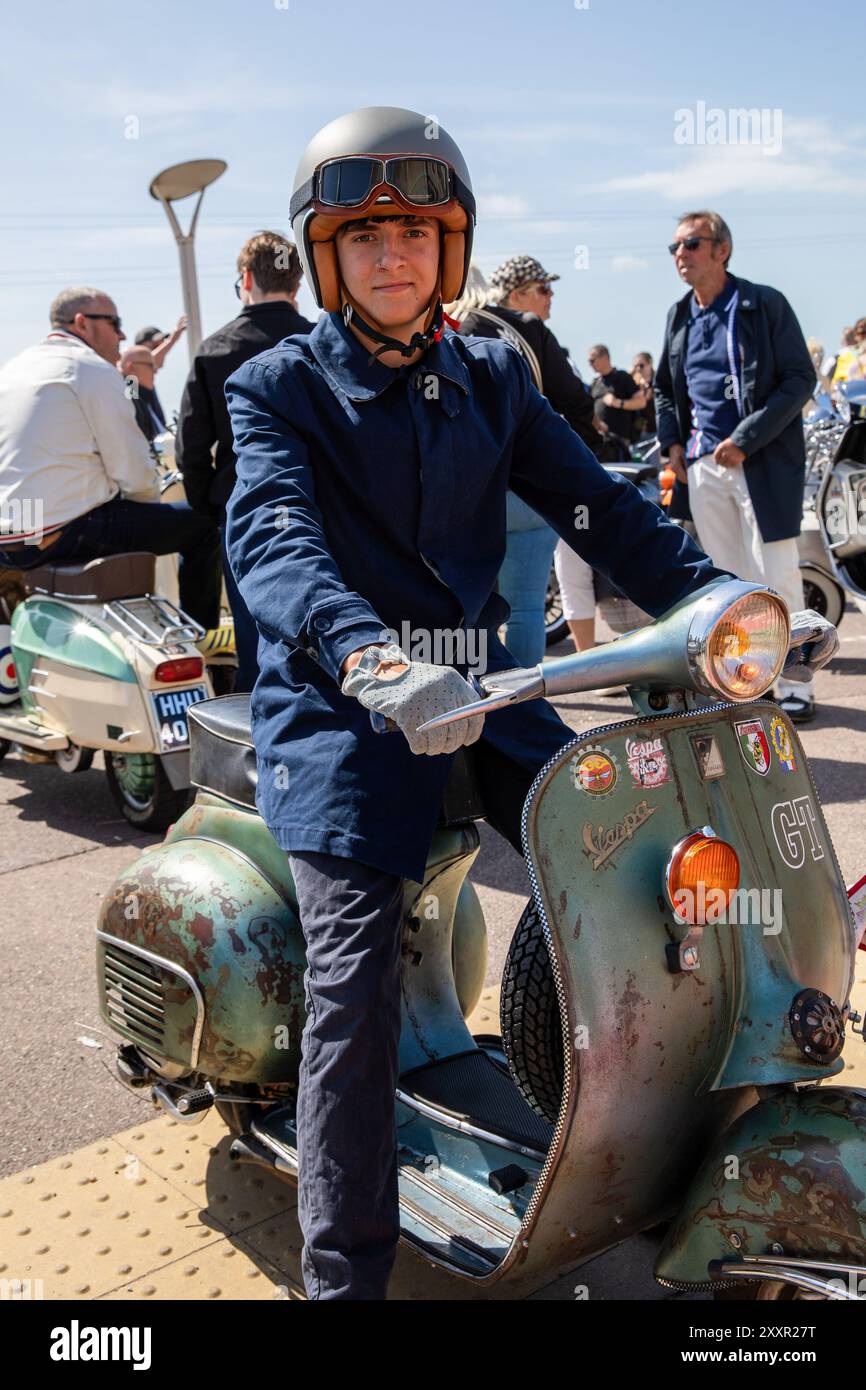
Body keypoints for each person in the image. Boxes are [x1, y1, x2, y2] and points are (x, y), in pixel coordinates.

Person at [223, 105, 734, 1302]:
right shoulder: (274, 387)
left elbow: (599, 508)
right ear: (322, 256)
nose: (389, 256)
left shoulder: (495, 373)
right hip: (342, 706)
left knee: (641, 871)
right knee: (349, 988)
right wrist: (366, 656)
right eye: (361, 237)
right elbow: (273, 538)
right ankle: (341, 1277)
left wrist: (718, 600)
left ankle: (658, 1149)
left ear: (448, 250)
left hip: (483, 687)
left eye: (412, 231)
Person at [655, 209, 817, 722]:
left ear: (722, 250)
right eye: (676, 247)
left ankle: (796, 683)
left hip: (763, 463)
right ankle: (748, 682)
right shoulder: (680, 315)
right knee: (727, 584)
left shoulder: (762, 304)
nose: (681, 254)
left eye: (693, 244)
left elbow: (798, 380)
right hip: (703, 466)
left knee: (776, 572)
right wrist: (672, 444)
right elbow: (664, 388)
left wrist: (746, 440)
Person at [0, 287, 220, 630]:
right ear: (81, 323)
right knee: (206, 522)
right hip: (63, 533)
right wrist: (150, 511)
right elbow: (135, 476)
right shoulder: (90, 368)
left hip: (12, 535)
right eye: (114, 322)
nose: (120, 334)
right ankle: (200, 635)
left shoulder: (12, 370)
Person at [175, 233, 315, 691]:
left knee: (257, 640)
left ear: (247, 279)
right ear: (297, 283)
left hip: (248, 512)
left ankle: (262, 745)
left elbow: (191, 450)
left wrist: (213, 507)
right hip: (330, 510)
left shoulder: (215, 350)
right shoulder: (324, 344)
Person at [451, 263, 598, 663]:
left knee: (468, 606)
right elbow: (576, 401)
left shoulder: (438, 329)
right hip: (531, 484)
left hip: (467, 490)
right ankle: (524, 707)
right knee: (528, 607)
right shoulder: (527, 327)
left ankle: (474, 699)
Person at [587, 344, 647, 455]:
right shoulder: (594, 383)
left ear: (604, 358)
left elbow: (641, 402)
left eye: (592, 360)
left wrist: (618, 403)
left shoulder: (622, 377)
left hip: (620, 443)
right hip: (600, 442)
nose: (590, 364)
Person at [133, 316, 187, 426]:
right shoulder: (130, 379)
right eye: (156, 344)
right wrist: (172, 339)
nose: (161, 347)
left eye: (162, 344)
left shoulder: (141, 381)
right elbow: (130, 414)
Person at [118, 346, 163, 443]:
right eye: (151, 365)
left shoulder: (144, 393)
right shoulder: (129, 391)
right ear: (131, 367)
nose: (155, 370)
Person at [631, 352, 657, 437]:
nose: (638, 369)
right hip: (643, 433)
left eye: (641, 365)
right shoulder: (634, 385)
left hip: (661, 428)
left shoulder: (659, 381)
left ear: (650, 364)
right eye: (636, 366)